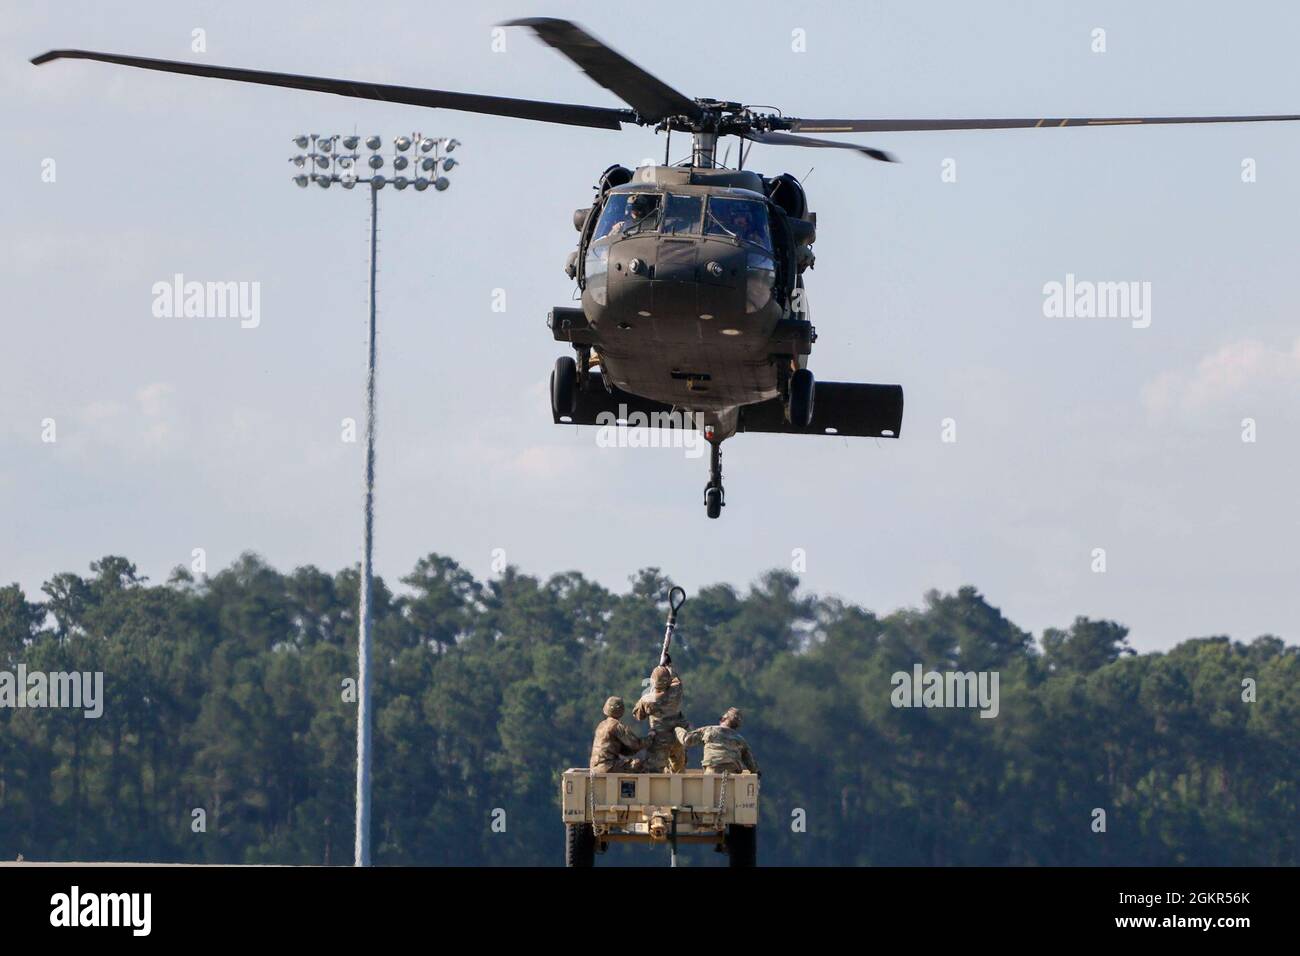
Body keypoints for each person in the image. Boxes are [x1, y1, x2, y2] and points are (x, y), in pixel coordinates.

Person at [633, 662, 688, 772]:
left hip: (659, 740)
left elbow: (638, 715)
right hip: (677, 738)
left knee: (653, 773)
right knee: (678, 772)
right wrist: (669, 667)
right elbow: (676, 680)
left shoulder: (647, 700)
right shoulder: (676, 691)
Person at [675, 707, 759, 774]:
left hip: (712, 770)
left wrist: (677, 728)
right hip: (733, 773)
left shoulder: (709, 730)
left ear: (723, 719)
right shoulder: (740, 740)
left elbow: (686, 740)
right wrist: (756, 772)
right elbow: (751, 764)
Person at [589, 696, 644, 773]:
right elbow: (635, 744)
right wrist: (650, 738)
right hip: (608, 767)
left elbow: (622, 750)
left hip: (595, 768)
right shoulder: (616, 725)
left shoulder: (601, 725)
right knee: (639, 764)